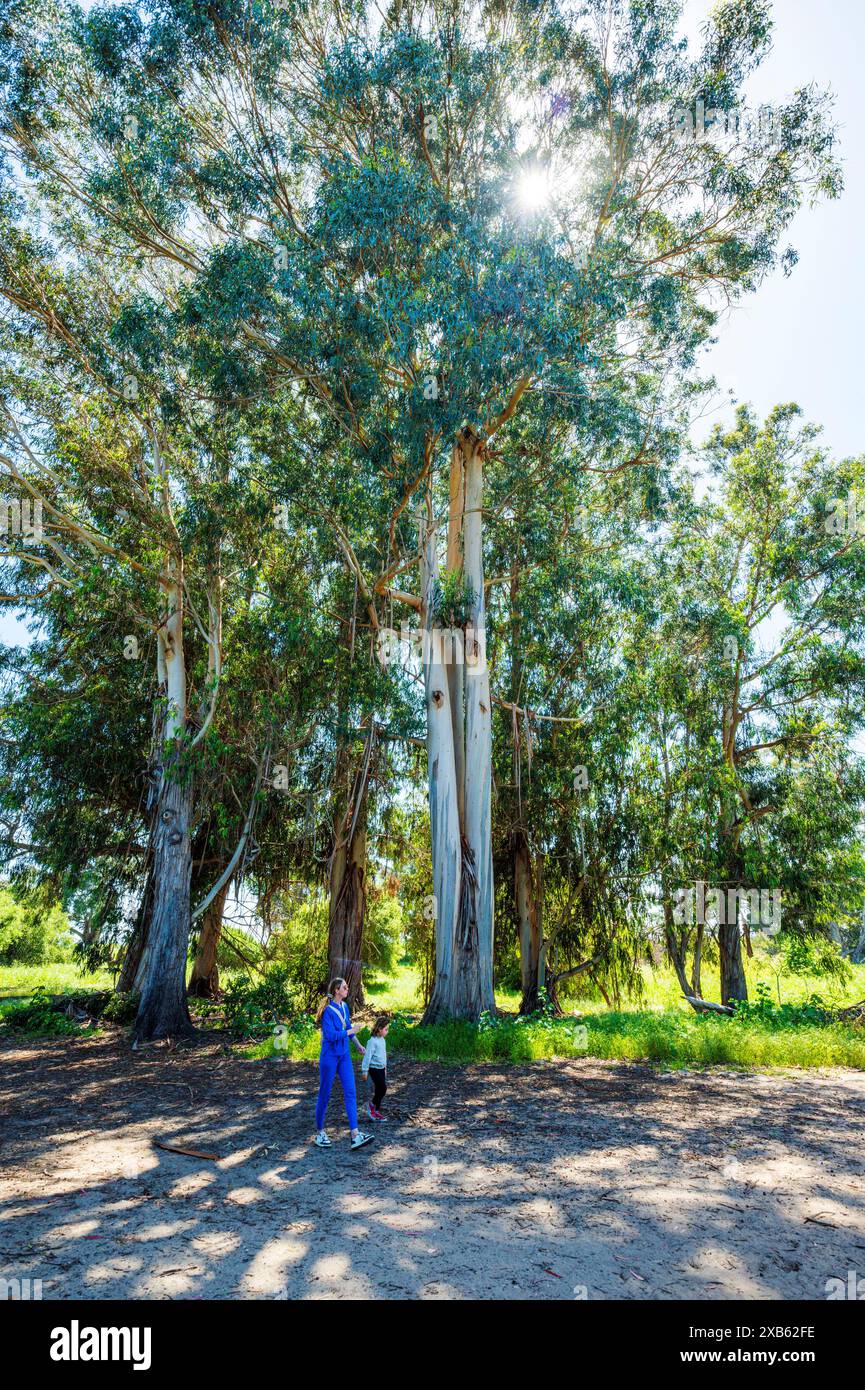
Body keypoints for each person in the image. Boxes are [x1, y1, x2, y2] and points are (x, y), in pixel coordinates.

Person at [313, 978, 374, 1150]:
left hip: (344, 1056)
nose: (348, 989)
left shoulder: (345, 1007)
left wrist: (358, 1044)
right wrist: (350, 1031)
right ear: (337, 990)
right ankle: (319, 1132)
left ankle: (355, 1135)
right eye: (345, 987)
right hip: (329, 1057)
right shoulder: (328, 1011)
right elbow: (331, 1035)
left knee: (350, 1092)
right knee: (325, 1094)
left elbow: (347, 1028)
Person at [362, 1015, 390, 1121]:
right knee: (383, 1088)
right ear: (379, 1029)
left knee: (380, 1089)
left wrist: (385, 1068)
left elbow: (383, 1055)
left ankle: (375, 1111)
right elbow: (367, 1057)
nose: (387, 1031)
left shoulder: (382, 1040)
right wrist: (365, 1071)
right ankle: (371, 1106)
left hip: (381, 1068)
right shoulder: (372, 1041)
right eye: (386, 1029)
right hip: (374, 1068)